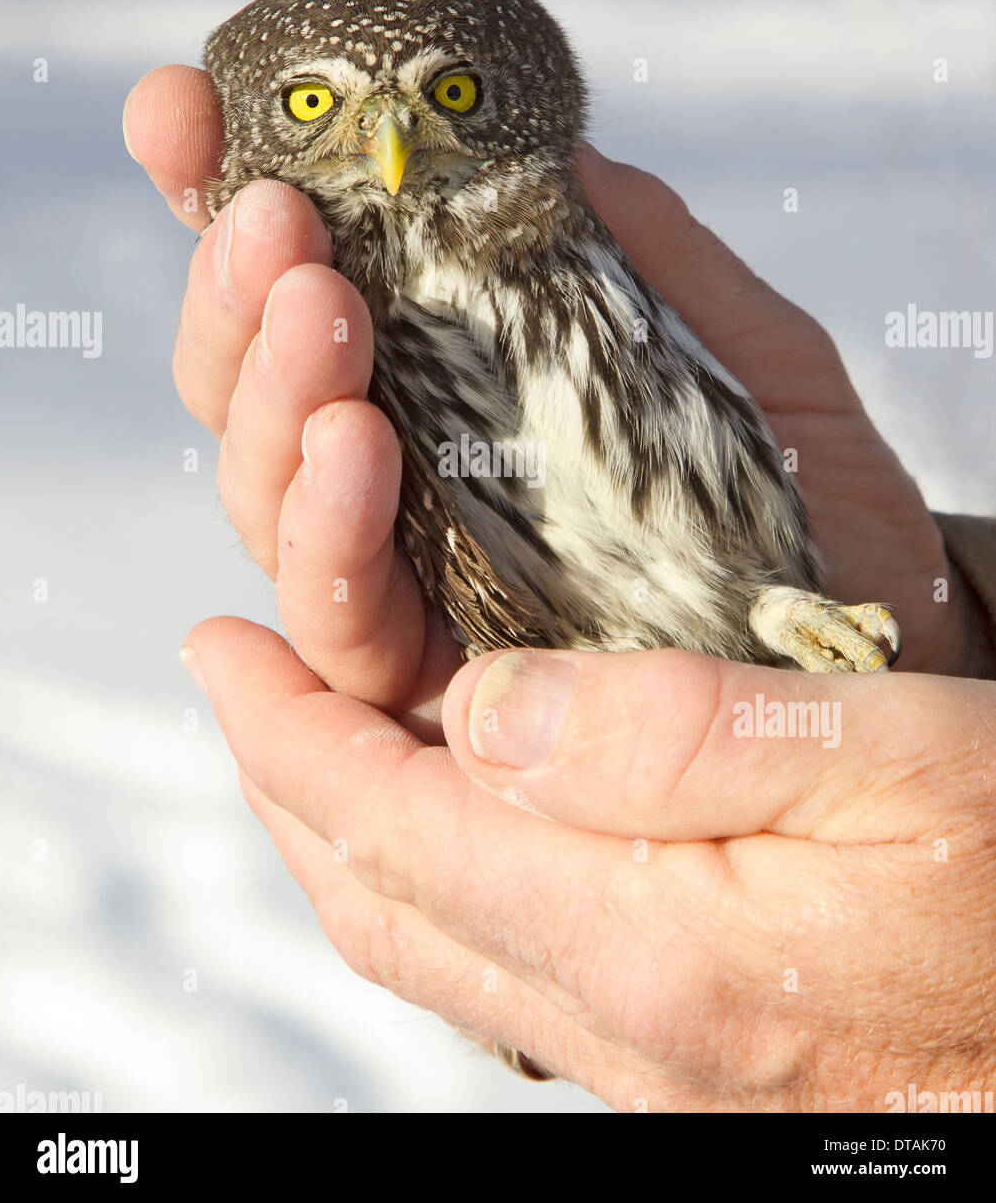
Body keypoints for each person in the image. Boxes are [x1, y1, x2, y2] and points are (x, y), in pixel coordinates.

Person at [124, 65, 996, 1112]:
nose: (389, 138)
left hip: (745, 582)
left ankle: (764, 612)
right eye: (316, 104)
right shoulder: (341, 277)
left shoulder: (559, 222)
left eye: (448, 95)